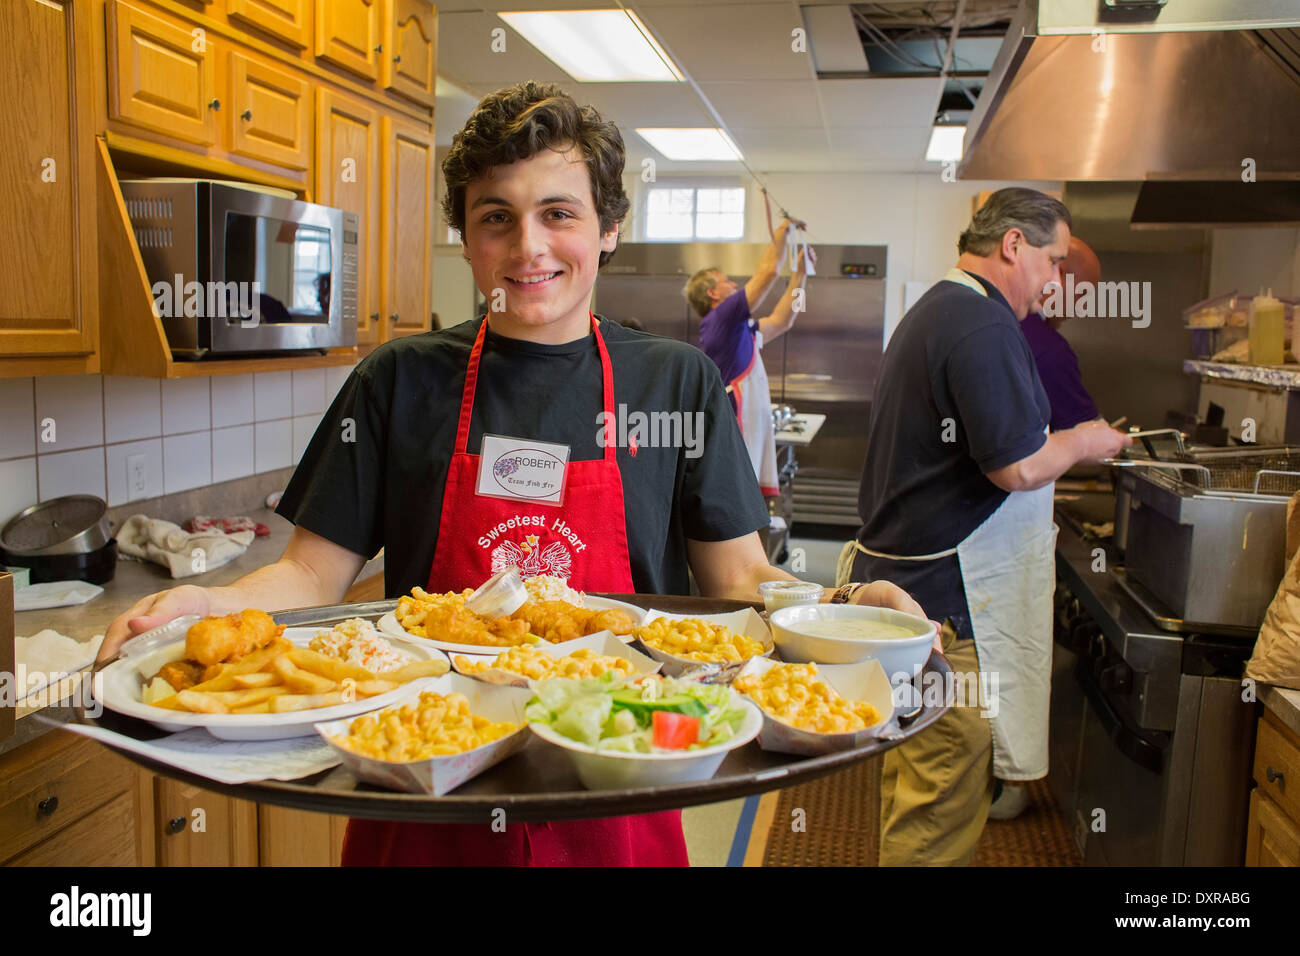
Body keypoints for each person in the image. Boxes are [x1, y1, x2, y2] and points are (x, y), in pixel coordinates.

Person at [99, 81, 924, 867]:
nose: (528, 247)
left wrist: (843, 610)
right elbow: (308, 573)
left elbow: (740, 578)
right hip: (426, 777)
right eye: (498, 217)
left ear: (607, 228)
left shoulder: (673, 382)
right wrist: (212, 603)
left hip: (616, 777)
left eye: (558, 214)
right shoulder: (400, 379)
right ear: (466, 235)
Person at [842, 188, 1131, 865]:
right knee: (943, 789)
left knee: (916, 777)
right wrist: (1085, 439)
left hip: (907, 594)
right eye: (1054, 262)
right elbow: (1019, 465)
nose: (1056, 282)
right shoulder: (980, 322)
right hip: (948, 606)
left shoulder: (940, 309)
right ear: (1013, 247)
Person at [684, 224, 809, 496]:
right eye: (726, 281)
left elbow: (784, 320)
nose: (734, 285)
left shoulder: (739, 329)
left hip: (750, 421)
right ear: (712, 294)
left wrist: (801, 275)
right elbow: (769, 272)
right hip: (736, 422)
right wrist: (783, 231)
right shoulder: (720, 319)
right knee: (738, 496)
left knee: (746, 495)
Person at [1019, 237, 1103, 430]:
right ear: (1058, 274)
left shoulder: (995, 313)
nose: (1081, 309)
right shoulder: (1047, 348)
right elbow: (1085, 433)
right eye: (1083, 294)